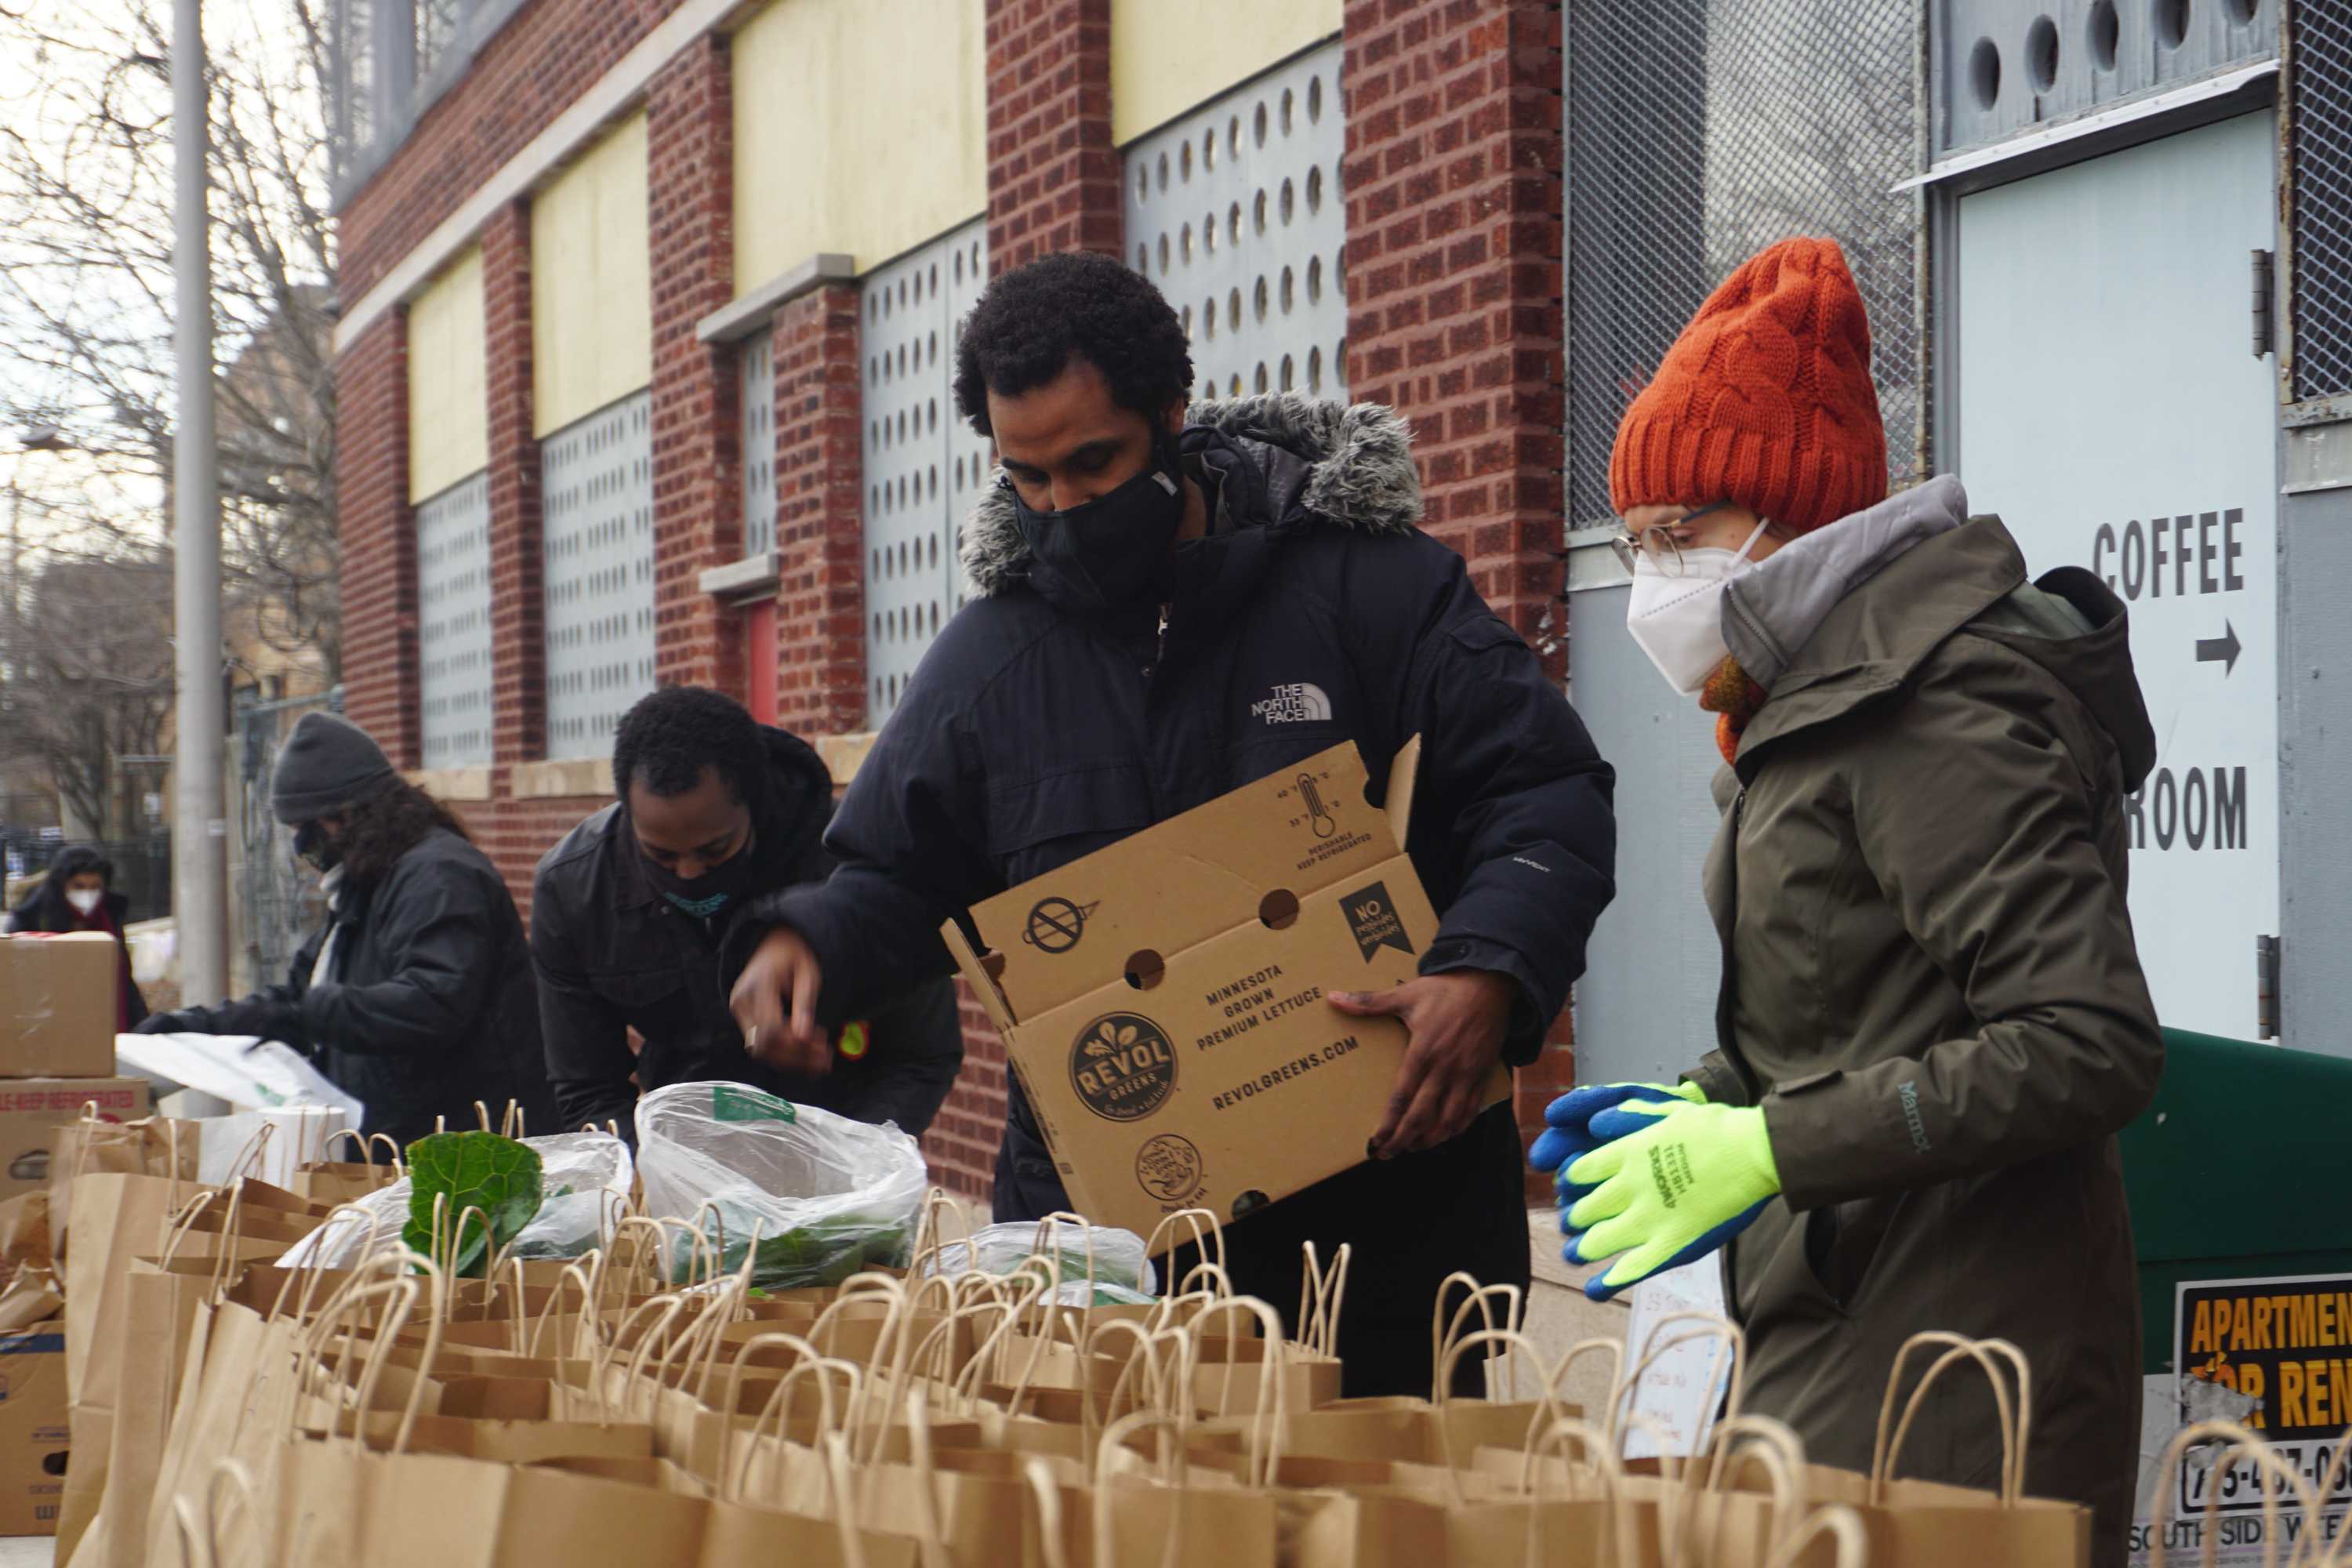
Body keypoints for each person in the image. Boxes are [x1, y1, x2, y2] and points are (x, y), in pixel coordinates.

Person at [724, 251, 1617, 1396]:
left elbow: (1542, 794)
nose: (1064, 509)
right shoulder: (990, 663)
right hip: (1109, 1255)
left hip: (1386, 1234)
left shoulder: (1373, 592)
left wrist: (1490, 969)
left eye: (1093, 464)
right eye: (1028, 478)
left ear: (1172, 413)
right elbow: (892, 872)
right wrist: (810, 942)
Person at [1530, 238, 2159, 1561]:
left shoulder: (1940, 706)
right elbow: (1865, 999)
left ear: (1788, 513)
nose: (1649, 580)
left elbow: (2084, 1043)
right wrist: (1712, 1098)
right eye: (1634, 540)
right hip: (1852, 1310)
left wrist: (1769, 1150)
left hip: (1962, 1354)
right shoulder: (1811, 708)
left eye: (1678, 534)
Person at [532, 686, 964, 1142]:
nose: (689, 873)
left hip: (835, 1147)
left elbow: (921, 1056)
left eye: (715, 851)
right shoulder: (575, 890)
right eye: (661, 856)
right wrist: (649, 1179)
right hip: (682, 1163)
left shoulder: (856, 872)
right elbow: (589, 1088)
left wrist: (853, 1167)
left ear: (752, 807)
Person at [136, 712, 551, 1147]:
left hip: (469, 1149)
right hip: (403, 1141)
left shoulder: (440, 877)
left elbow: (433, 1002)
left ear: (347, 813)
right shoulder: (365, 883)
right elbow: (297, 999)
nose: (302, 847)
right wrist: (191, 1027)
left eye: (305, 828)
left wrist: (314, 1013)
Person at [6, 844, 149, 1030]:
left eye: (95, 887)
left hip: (105, 1016)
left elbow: (123, 977)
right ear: (62, 886)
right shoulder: (32, 919)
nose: (87, 895)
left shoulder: (109, 916)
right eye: (79, 886)